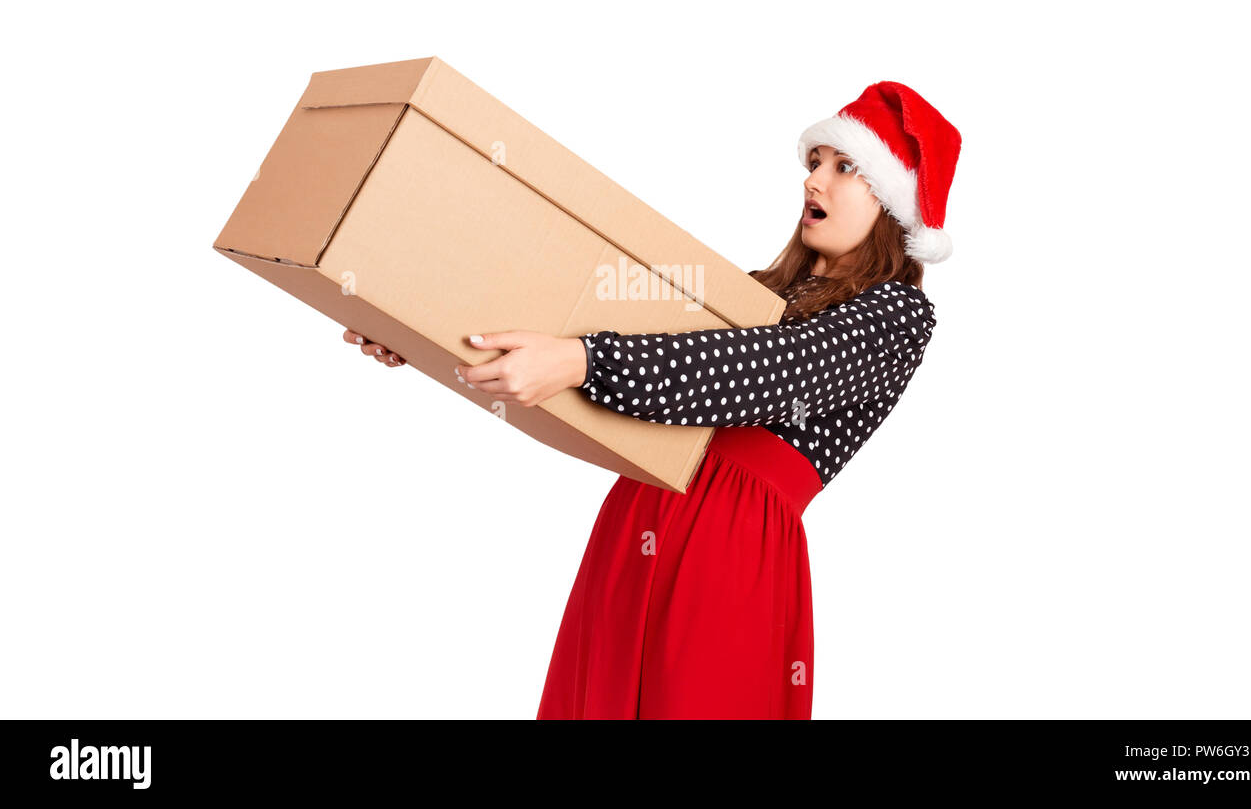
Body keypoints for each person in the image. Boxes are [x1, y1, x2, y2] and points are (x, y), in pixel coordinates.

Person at [345, 80, 962, 719]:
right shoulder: (751, 295)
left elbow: (767, 372)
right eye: (814, 163)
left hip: (732, 546)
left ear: (894, 204)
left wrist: (587, 358)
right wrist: (421, 331)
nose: (814, 182)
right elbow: (581, 319)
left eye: (846, 168)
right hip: (643, 508)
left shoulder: (897, 315)